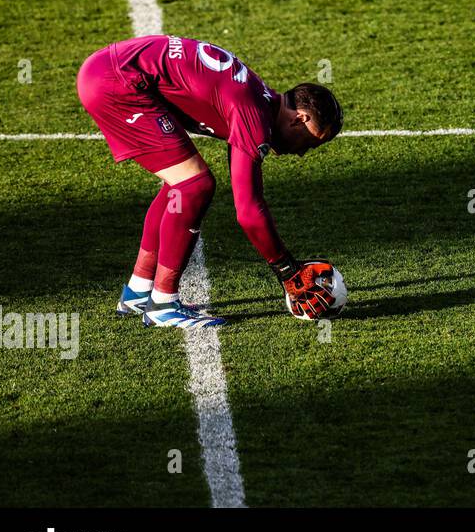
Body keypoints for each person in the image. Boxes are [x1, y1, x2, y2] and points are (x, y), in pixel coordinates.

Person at [76, 35, 342, 327]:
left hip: (109, 69)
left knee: (179, 184)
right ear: (299, 119)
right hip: (116, 81)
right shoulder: (253, 114)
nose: (303, 152)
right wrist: (286, 269)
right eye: (311, 142)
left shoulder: (260, 99)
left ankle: (139, 291)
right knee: (195, 186)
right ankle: (163, 304)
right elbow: (249, 212)